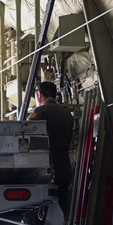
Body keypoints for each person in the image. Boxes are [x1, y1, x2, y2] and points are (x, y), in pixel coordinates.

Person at [28, 81, 75, 212]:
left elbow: (27, 136)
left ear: (39, 95)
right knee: (62, 206)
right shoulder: (67, 114)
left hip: (49, 169)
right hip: (65, 167)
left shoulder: (40, 112)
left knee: (45, 210)